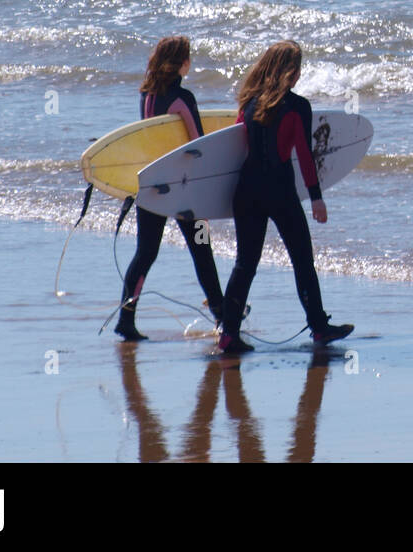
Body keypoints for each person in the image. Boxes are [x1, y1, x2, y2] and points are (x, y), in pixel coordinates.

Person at [218, 40, 352, 354]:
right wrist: (316, 197)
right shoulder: (297, 107)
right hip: (279, 192)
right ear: (291, 71)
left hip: (246, 192)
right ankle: (319, 328)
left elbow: (233, 142)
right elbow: (305, 155)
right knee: (302, 261)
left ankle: (228, 334)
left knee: (244, 265)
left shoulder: (249, 103)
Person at [116, 36, 225, 341]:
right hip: (182, 190)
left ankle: (126, 318)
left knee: (145, 253)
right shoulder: (183, 98)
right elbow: (198, 143)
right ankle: (222, 314)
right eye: (188, 58)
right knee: (202, 250)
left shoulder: (146, 95)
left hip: (151, 185)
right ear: (182, 63)